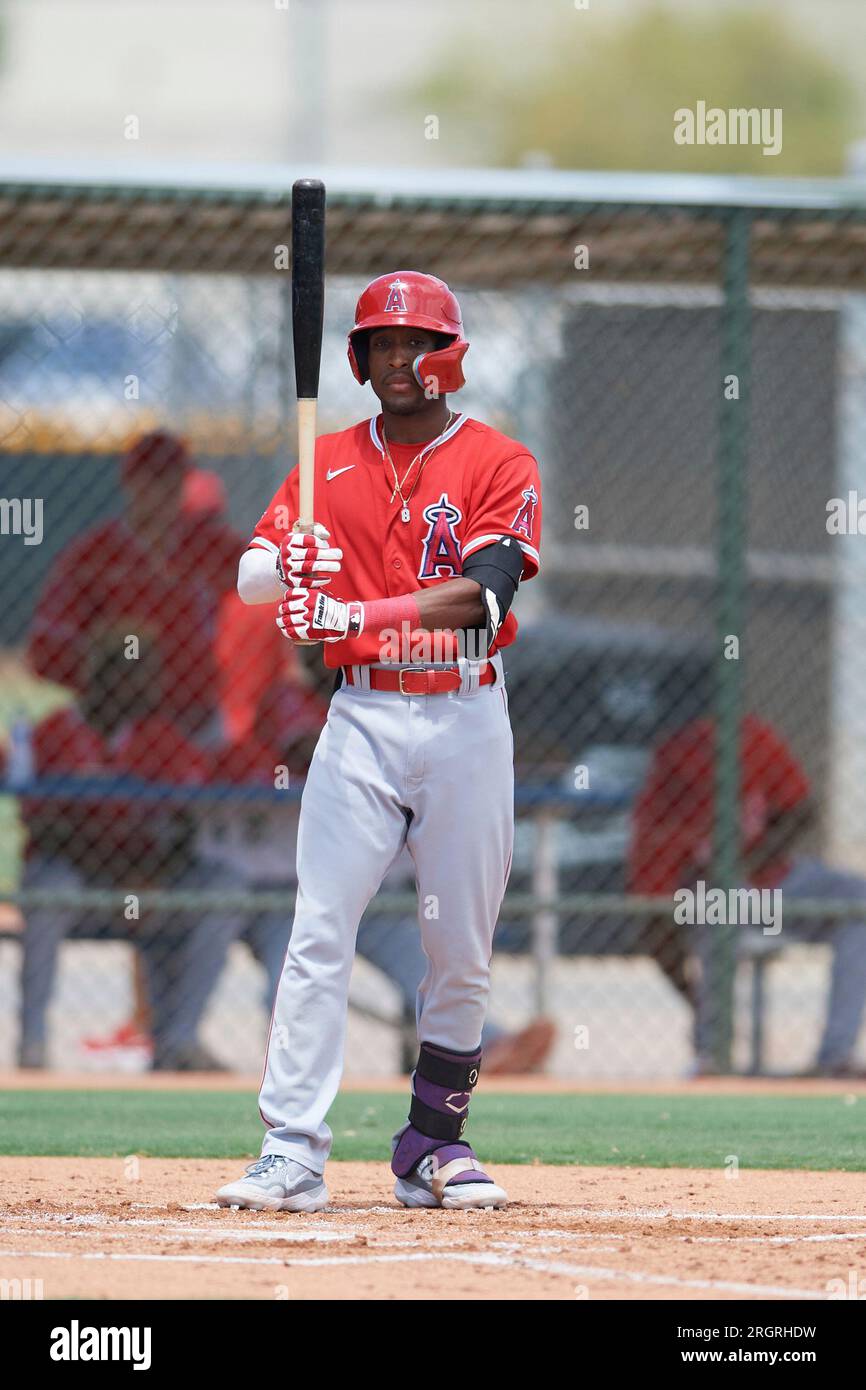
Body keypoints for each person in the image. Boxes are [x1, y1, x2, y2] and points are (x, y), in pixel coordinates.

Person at [215, 270, 542, 1212]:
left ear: (449, 356)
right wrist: (290, 567)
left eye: (416, 343)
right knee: (320, 928)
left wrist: (353, 610)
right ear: (360, 359)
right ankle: (291, 1150)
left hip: (465, 713)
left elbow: (483, 600)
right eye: (382, 344)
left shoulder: (499, 460)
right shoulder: (325, 463)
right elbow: (249, 578)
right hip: (361, 716)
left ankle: (433, 1144)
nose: (399, 359)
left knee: (460, 947)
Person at [14, 640, 250, 1071]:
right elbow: (43, 828)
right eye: (130, 676)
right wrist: (119, 872)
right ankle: (33, 1046)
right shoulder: (55, 731)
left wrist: (149, 876)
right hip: (82, 884)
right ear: (100, 679)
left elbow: (186, 826)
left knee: (223, 884)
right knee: (49, 885)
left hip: (149, 885)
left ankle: (179, 1043)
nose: (146, 690)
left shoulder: (159, 737)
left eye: (147, 679)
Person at [628, 712, 866, 1077]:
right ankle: (712, 1056)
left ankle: (835, 1058)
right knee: (712, 907)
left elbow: (802, 809)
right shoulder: (670, 774)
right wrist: (695, 1000)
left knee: (857, 899)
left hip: (780, 884)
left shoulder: (752, 737)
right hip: (717, 899)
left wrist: (752, 859)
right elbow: (653, 921)